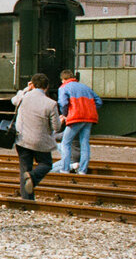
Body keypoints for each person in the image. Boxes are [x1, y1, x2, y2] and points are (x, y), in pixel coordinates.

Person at [11, 72, 61, 200]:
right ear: (47, 87)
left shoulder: (22, 97)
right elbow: (57, 127)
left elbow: (13, 100)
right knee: (46, 164)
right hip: (41, 142)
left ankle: (27, 200)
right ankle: (32, 177)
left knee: (24, 169)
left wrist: (27, 88)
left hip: (22, 140)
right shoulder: (51, 103)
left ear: (32, 85)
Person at [54, 70, 102, 175]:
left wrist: (66, 114)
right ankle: (82, 170)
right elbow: (98, 101)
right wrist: (89, 110)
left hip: (75, 118)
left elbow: (63, 103)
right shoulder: (85, 87)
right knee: (84, 143)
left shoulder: (64, 87)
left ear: (63, 79)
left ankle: (65, 169)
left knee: (65, 143)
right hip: (89, 118)